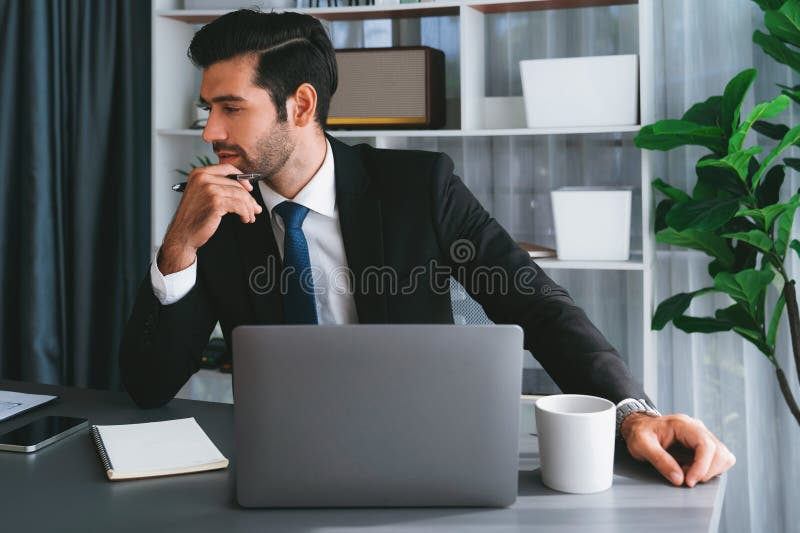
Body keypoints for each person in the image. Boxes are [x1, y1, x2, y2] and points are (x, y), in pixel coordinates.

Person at [120, 9, 735, 489]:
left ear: (301, 105)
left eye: (231, 108)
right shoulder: (218, 217)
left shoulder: (418, 188)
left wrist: (633, 413)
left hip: (420, 454)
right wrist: (178, 247)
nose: (211, 131)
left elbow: (537, 305)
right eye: (208, 108)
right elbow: (148, 386)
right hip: (278, 463)